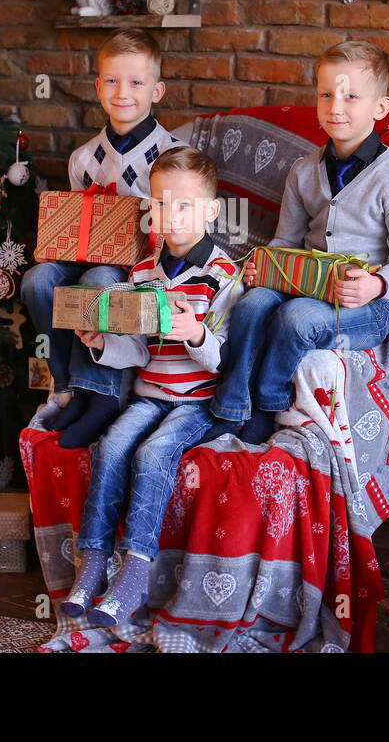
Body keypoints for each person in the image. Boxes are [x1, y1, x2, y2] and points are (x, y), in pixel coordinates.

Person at [210, 40, 389, 444]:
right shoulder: (303, 170)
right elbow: (286, 239)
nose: (336, 106)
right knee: (252, 303)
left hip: (362, 305)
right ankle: (231, 406)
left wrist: (376, 285)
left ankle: (266, 405)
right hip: (303, 284)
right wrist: (263, 266)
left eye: (350, 96)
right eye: (326, 94)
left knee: (296, 320)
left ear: (380, 108)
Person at [61, 147, 242, 626]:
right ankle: (93, 563)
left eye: (183, 205)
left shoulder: (224, 276)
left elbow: (230, 359)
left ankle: (135, 572)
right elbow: (140, 352)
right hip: (151, 392)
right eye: (160, 204)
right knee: (113, 444)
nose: (171, 215)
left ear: (210, 210)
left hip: (199, 401)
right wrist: (103, 344)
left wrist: (198, 334)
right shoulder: (143, 274)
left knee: (153, 453)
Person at [21, 28, 183, 448]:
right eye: (111, 80)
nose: (122, 92)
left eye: (135, 82)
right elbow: (77, 231)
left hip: (144, 270)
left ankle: (103, 397)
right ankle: (67, 386)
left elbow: (184, 229)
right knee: (38, 280)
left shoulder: (173, 153)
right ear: (97, 87)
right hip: (89, 259)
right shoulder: (83, 158)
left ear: (157, 90)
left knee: (96, 283)